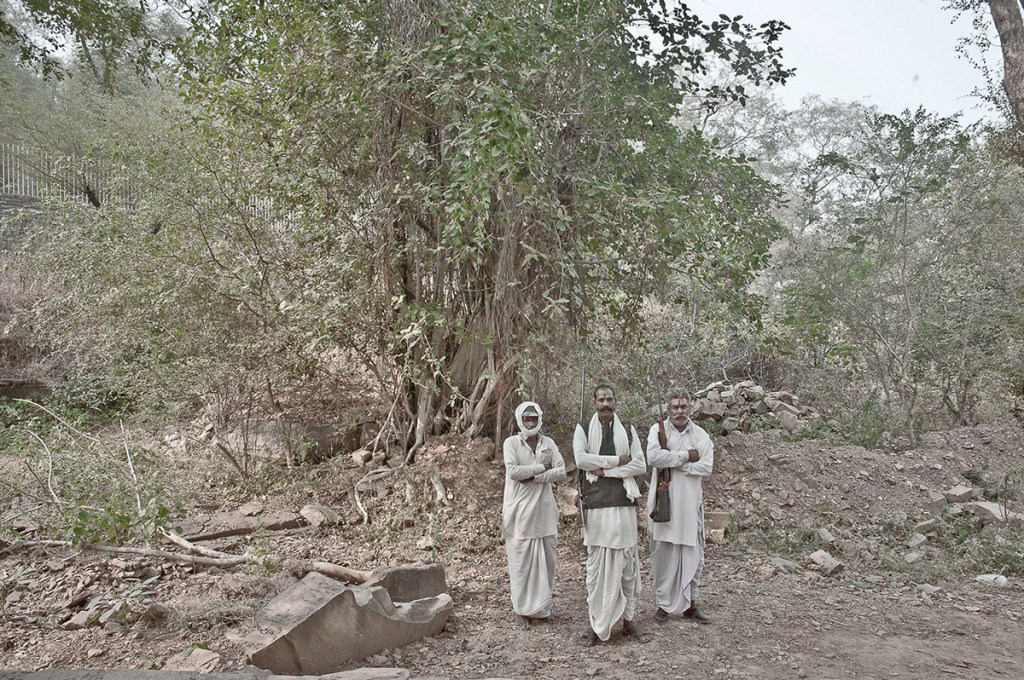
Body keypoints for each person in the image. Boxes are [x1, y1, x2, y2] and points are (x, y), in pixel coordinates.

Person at [573, 384, 650, 645]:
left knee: (628, 567)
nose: (606, 404)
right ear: (594, 403)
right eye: (601, 400)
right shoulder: (583, 428)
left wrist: (605, 471)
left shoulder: (627, 429)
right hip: (596, 507)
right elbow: (581, 461)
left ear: (616, 402)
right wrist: (619, 461)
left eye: (610, 399)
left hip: (624, 506)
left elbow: (640, 464)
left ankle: (629, 621)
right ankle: (596, 623)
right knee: (596, 568)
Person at [645, 387, 714, 624]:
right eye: (675, 406)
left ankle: (690, 604)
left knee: (693, 554)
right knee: (664, 554)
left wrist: (677, 464)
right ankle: (664, 605)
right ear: (668, 408)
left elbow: (706, 467)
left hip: (689, 504)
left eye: (683, 406)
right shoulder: (657, 431)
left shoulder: (701, 435)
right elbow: (653, 458)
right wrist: (685, 457)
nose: (679, 411)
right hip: (664, 504)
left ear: (691, 407)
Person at [502, 400, 566, 625]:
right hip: (520, 512)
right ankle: (521, 610)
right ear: (520, 420)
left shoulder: (548, 443)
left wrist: (536, 478)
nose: (530, 422)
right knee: (521, 560)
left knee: (546, 560)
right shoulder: (511, 443)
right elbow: (514, 472)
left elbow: (561, 470)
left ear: (540, 419)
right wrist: (541, 468)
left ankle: (542, 609)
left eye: (534, 418)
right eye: (526, 418)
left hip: (545, 511)